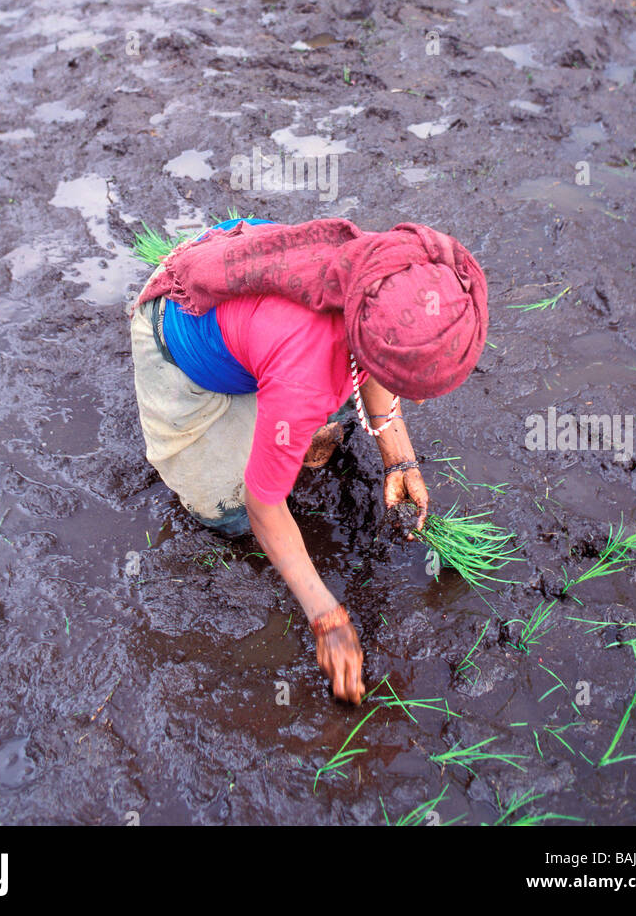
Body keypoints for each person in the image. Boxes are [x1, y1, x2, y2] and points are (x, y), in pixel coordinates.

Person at [130, 217, 488, 704]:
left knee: (310, 403)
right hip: (180, 327)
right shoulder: (305, 373)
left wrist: (401, 461)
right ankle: (265, 409)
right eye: (414, 387)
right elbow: (264, 506)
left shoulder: (382, 277)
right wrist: (327, 617)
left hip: (263, 303)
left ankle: (281, 408)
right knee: (230, 516)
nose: (420, 403)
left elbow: (374, 350)